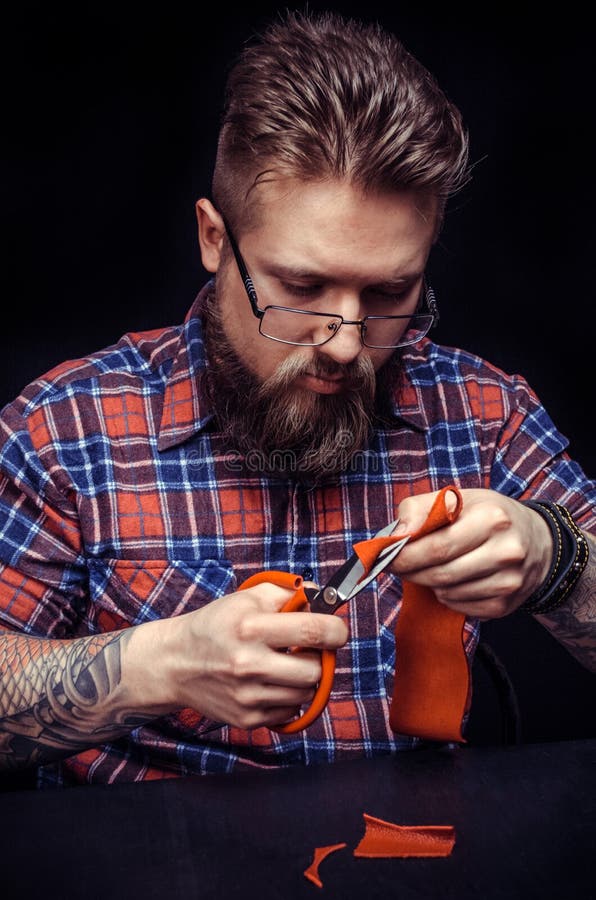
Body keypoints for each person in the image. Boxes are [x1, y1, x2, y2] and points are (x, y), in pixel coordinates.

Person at [0, 9, 594, 788]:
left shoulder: (483, 413)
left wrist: (559, 560)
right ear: (216, 240)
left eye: (390, 291)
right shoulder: (67, 429)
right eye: (302, 288)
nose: (347, 341)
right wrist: (156, 665)